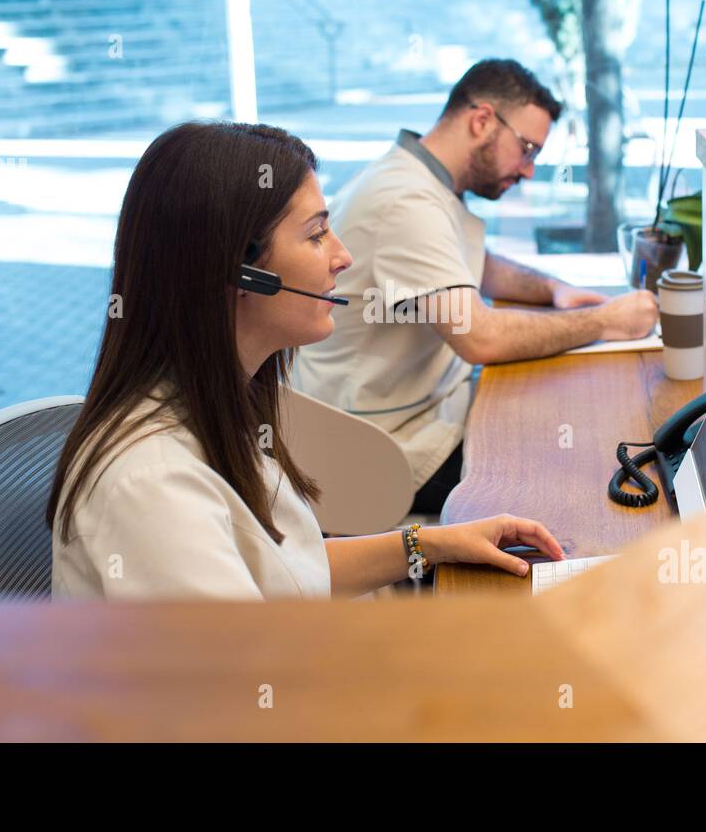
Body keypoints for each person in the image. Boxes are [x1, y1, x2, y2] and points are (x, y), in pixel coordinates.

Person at [47, 121, 564, 601]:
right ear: (241, 274)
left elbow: (288, 571)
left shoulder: (218, 405)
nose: (343, 257)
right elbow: (243, 685)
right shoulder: (152, 486)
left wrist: (430, 545)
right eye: (316, 235)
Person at [292, 59, 659, 515]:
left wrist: (552, 290)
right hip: (386, 446)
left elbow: (470, 264)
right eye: (526, 149)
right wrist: (605, 321)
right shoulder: (406, 200)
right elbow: (481, 336)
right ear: (482, 119)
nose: (528, 171)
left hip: (422, 407)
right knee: (575, 467)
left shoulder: (416, 176)